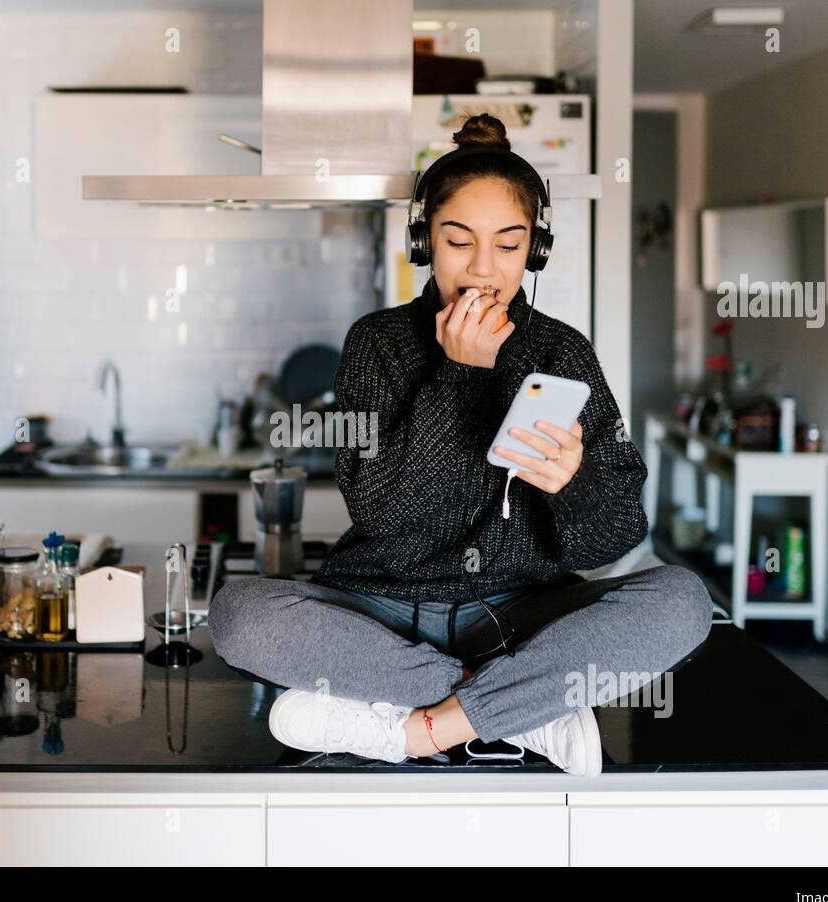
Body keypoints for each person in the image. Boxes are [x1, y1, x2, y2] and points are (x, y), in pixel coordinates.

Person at [207, 114, 712, 775]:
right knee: (238, 615)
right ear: (424, 242)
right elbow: (382, 516)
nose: (483, 269)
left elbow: (612, 539)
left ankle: (419, 727)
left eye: (508, 245)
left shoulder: (560, 352)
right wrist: (456, 373)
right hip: (378, 610)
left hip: (518, 610)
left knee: (684, 601)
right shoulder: (379, 344)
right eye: (458, 241)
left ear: (534, 248)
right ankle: (524, 705)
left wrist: (577, 481)